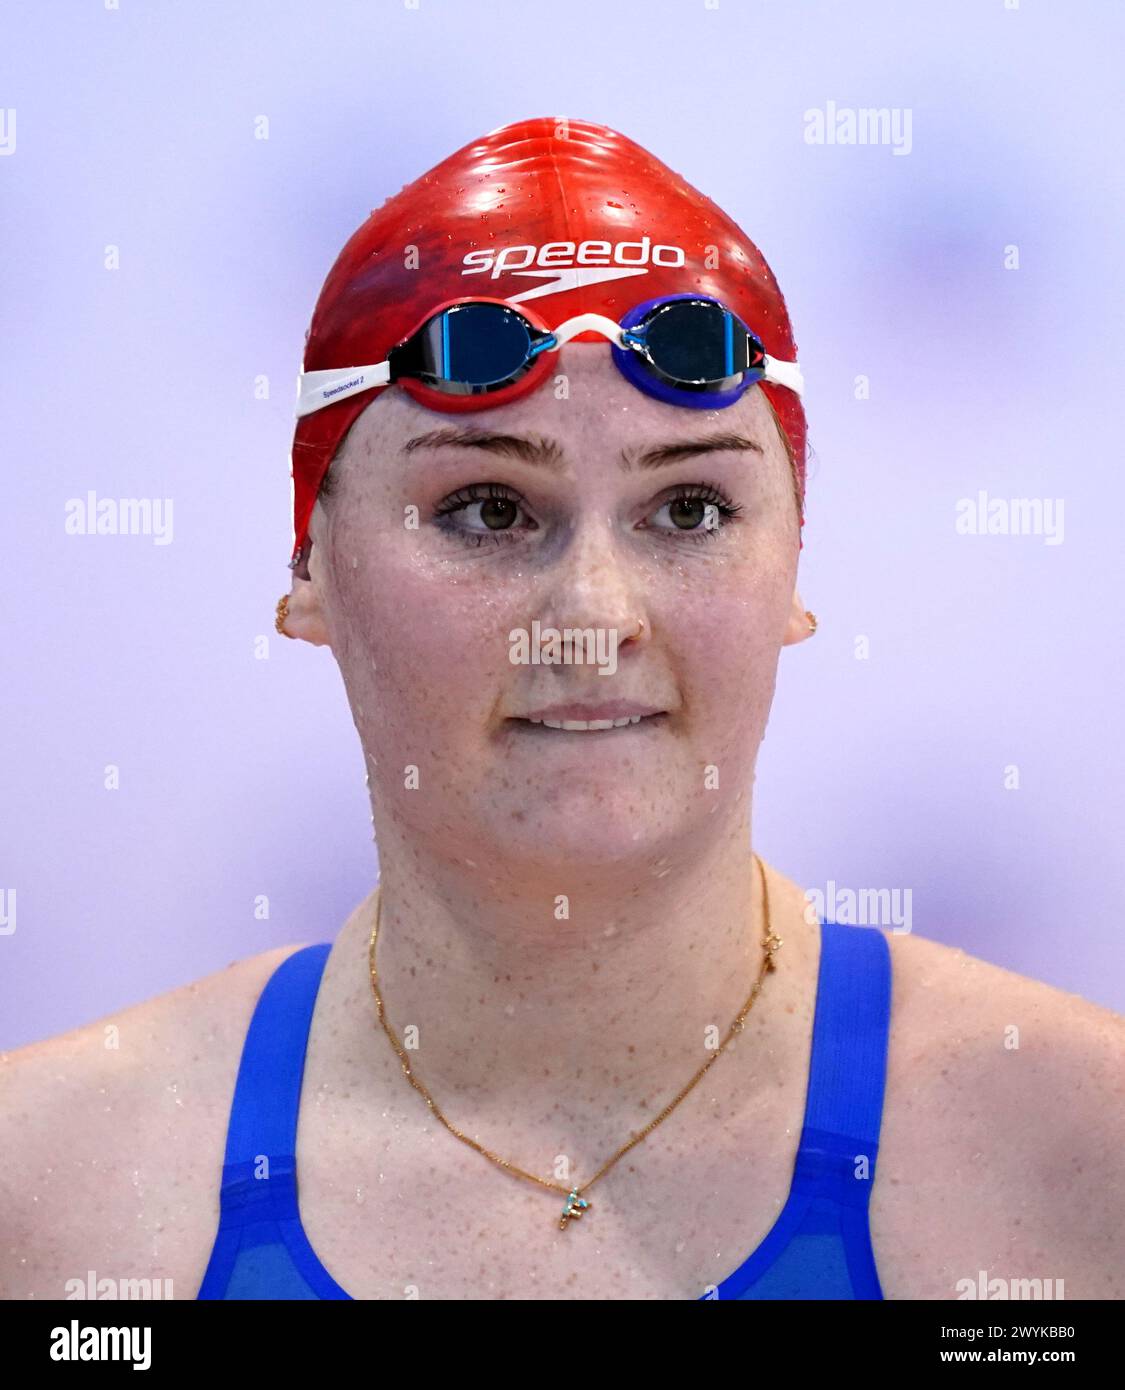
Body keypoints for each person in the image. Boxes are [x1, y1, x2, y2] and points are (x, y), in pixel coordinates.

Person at [3, 117, 1123, 1302]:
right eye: (488, 508)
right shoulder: (56, 1191)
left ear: (795, 572)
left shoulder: (1078, 1161)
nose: (595, 612)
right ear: (307, 575)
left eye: (689, 509)